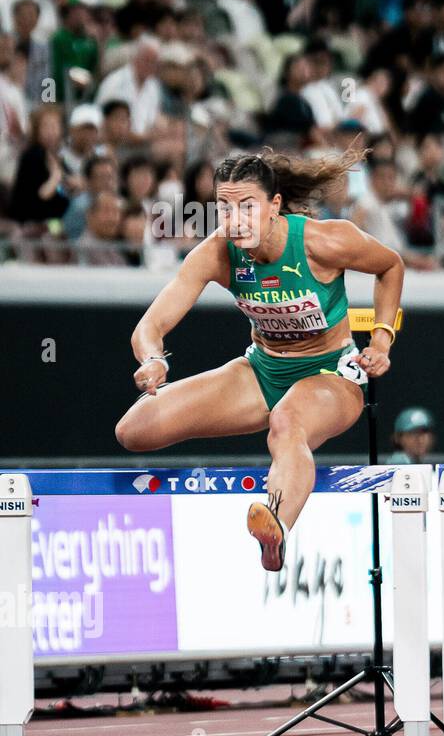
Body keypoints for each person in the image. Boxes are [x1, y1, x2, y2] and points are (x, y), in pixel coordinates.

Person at [113, 147, 405, 572]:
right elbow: (150, 325)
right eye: (224, 207)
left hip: (330, 375)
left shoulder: (323, 241)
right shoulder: (216, 253)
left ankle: (277, 529)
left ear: (274, 206)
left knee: (286, 422)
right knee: (134, 430)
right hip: (263, 369)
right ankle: (279, 490)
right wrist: (154, 359)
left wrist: (381, 341)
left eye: (246, 206)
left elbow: (391, 266)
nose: (234, 220)